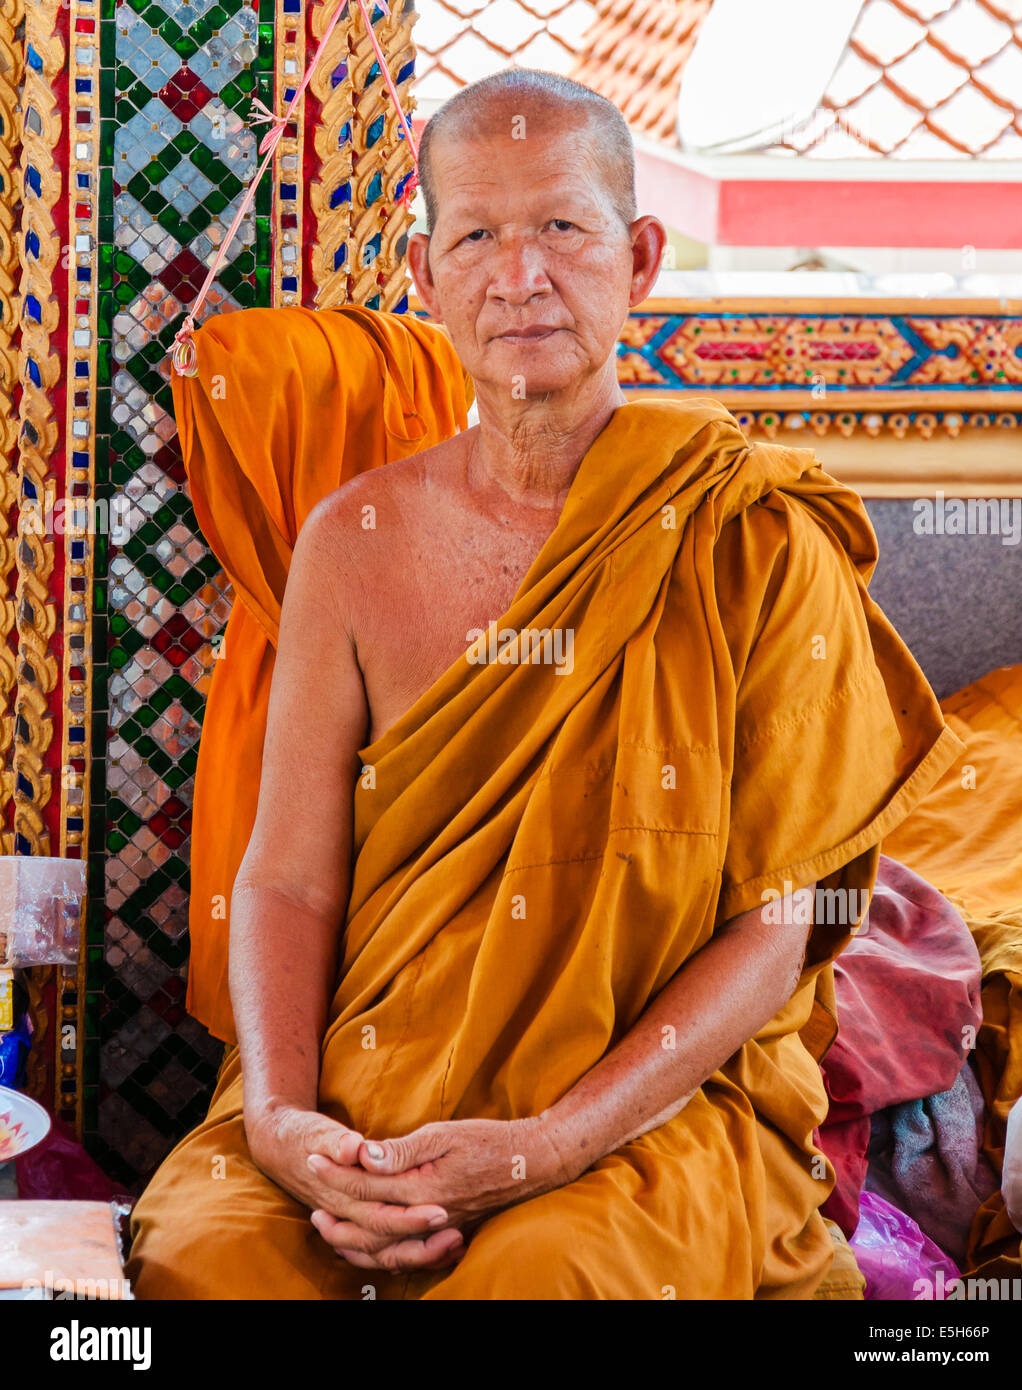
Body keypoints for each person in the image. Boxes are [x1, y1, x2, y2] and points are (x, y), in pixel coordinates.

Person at [127, 68, 963, 1299]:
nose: (519, 276)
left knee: (540, 1279)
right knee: (209, 1262)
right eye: (475, 236)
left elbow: (774, 923)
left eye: (562, 227)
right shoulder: (352, 543)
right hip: (368, 1085)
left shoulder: (752, 536)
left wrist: (551, 1143)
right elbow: (288, 879)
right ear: (423, 279)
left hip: (640, 1111)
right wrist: (283, 1121)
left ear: (639, 259)